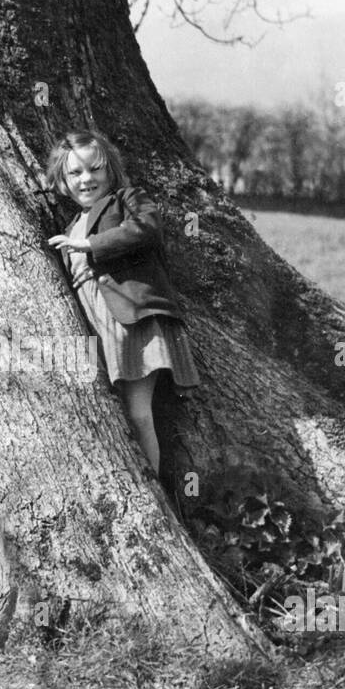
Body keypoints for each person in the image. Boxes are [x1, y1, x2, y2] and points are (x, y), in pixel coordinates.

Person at [45, 130, 199, 476]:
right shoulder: (72, 224)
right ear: (62, 181)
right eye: (75, 173)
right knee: (116, 415)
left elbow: (147, 228)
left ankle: (154, 488)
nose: (86, 179)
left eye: (95, 169)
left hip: (132, 320)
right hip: (98, 328)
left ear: (110, 169)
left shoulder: (127, 199)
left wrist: (91, 244)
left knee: (138, 412)